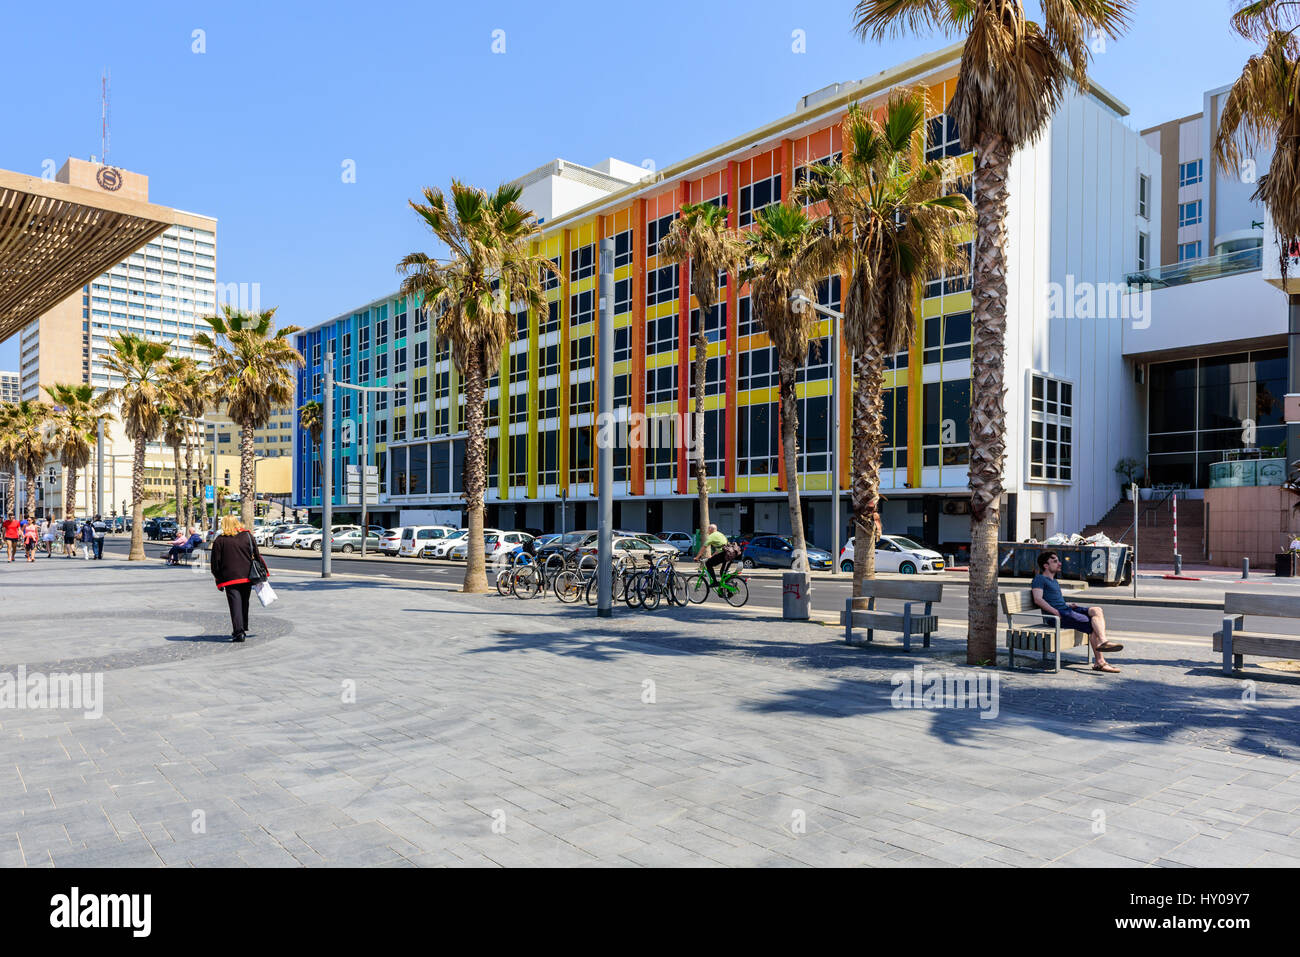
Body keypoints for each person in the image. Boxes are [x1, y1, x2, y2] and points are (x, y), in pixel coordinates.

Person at [1031, 551, 1123, 673]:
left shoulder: (1054, 581)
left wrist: (1068, 605)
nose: (1059, 563)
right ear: (1045, 565)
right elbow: (1038, 599)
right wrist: (1056, 612)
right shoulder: (1039, 579)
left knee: (1097, 610)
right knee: (1093, 625)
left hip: (1066, 610)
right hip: (1057, 616)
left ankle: (1103, 641)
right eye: (1055, 561)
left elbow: (1054, 600)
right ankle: (1100, 662)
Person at [210, 515, 268, 643]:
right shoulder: (247, 536)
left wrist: (218, 579)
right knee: (244, 602)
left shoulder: (220, 540)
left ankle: (238, 631)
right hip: (247, 575)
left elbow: (215, 563)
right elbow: (256, 554)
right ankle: (243, 627)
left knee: (235, 604)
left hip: (229, 578)